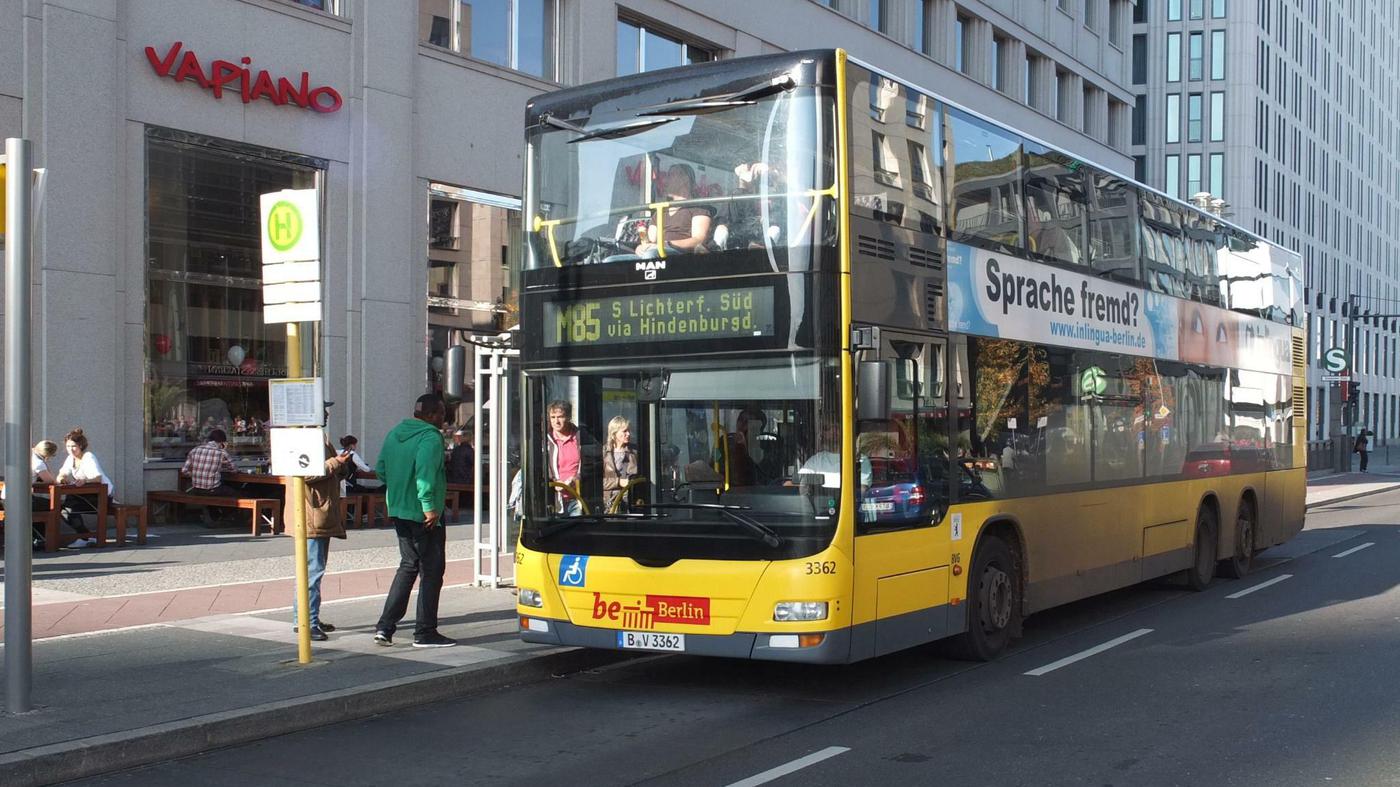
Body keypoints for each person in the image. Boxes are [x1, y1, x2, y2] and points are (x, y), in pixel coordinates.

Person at [372, 394, 455, 649]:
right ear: (431, 414)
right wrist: (429, 507)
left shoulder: (396, 432)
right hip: (423, 513)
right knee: (432, 571)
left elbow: (381, 470)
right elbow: (425, 474)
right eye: (441, 413)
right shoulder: (430, 437)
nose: (444, 419)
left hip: (399, 510)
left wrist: (399, 491)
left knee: (408, 566)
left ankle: (385, 627)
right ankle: (425, 632)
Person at [289, 403, 352, 642]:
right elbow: (307, 473)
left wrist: (342, 463)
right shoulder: (306, 438)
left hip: (317, 511)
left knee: (313, 570)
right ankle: (307, 621)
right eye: (322, 410)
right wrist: (336, 462)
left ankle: (307, 616)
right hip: (312, 512)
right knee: (312, 571)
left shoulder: (316, 436)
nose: (326, 414)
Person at [635, 163, 714, 256]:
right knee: (615, 260)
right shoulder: (661, 210)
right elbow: (651, 240)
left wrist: (667, 244)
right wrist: (641, 247)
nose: (665, 180)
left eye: (670, 175)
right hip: (657, 251)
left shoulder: (699, 208)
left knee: (651, 255)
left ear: (684, 179)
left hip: (680, 254)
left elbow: (698, 239)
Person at [1, 440, 62, 548]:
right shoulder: (38, 462)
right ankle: (46, 540)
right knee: (55, 505)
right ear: (48, 454)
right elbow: (51, 480)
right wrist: (46, 464)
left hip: (7, 499)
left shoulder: (25, 453)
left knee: (42, 506)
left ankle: (37, 538)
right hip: (21, 500)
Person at [54, 428, 111, 546]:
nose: (71, 449)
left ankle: (85, 537)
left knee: (68, 506)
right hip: (83, 494)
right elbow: (62, 473)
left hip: (101, 495)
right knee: (63, 509)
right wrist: (62, 478)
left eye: (73, 446)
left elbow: (97, 478)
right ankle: (85, 536)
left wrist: (84, 480)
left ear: (81, 445)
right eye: (68, 446)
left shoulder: (88, 457)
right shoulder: (70, 458)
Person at [546, 400, 585, 516]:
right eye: (552, 417)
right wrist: (554, 480)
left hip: (577, 498)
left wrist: (576, 479)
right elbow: (540, 466)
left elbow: (591, 462)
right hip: (554, 500)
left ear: (568, 417)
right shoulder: (545, 440)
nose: (556, 421)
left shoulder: (581, 437)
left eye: (560, 417)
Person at [602, 416, 639, 512]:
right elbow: (596, 482)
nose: (628, 434)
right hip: (610, 503)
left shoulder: (634, 452)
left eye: (629, 431)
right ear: (614, 434)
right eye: (624, 431)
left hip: (630, 502)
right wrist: (618, 482)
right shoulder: (603, 453)